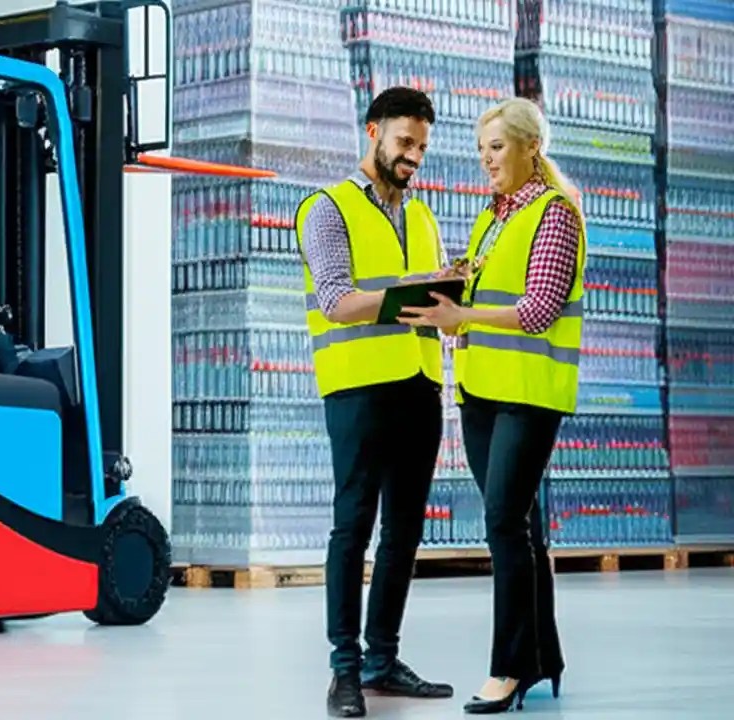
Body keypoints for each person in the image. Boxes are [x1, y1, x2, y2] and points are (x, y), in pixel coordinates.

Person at [398, 96, 583, 714]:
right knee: (523, 525)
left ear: (531, 147)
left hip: (528, 393)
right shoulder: (493, 217)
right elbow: (488, 292)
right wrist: (450, 287)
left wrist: (464, 313)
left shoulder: (554, 215)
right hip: (481, 391)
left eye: (497, 148)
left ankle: (507, 668)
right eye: (481, 151)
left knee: (503, 521)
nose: (487, 161)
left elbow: (539, 309)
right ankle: (543, 658)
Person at [294, 86, 455, 718]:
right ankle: (345, 669)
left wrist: (453, 298)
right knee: (353, 525)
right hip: (358, 385)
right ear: (372, 132)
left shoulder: (423, 217)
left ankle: (383, 659)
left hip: (419, 382)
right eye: (403, 142)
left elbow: (429, 303)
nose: (413, 154)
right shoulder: (326, 208)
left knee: (405, 530)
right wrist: (410, 288)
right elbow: (335, 298)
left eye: (421, 145)